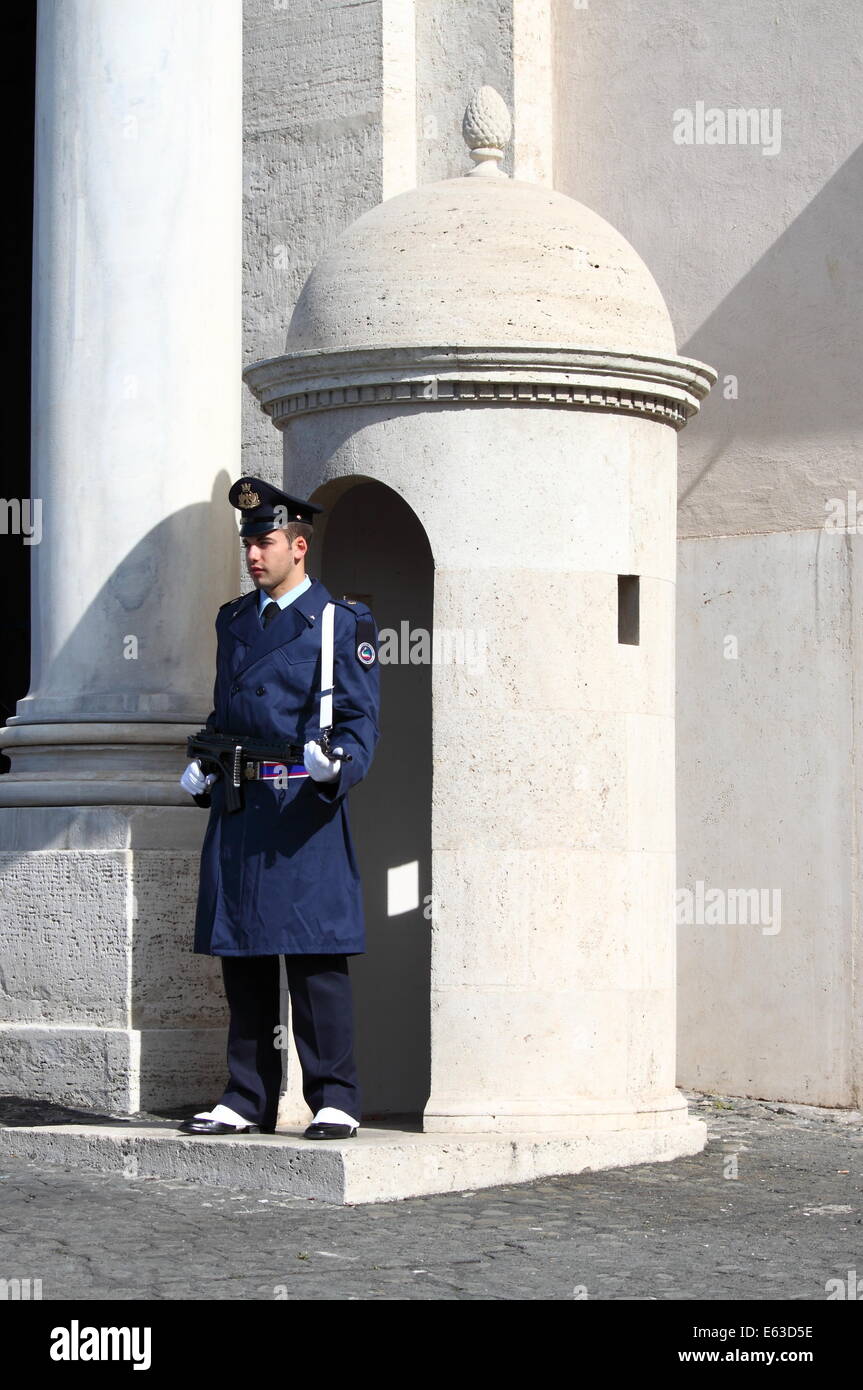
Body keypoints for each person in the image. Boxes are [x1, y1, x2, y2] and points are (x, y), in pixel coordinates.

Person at [177, 476, 380, 1140]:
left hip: (301, 807)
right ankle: (246, 1096)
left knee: (316, 960)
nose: (253, 555)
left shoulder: (337, 622)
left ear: (298, 545)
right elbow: (225, 711)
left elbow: (358, 722)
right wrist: (204, 765)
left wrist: (337, 767)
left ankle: (335, 1097)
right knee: (245, 957)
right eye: (248, 544)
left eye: (265, 542)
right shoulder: (234, 621)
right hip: (241, 804)